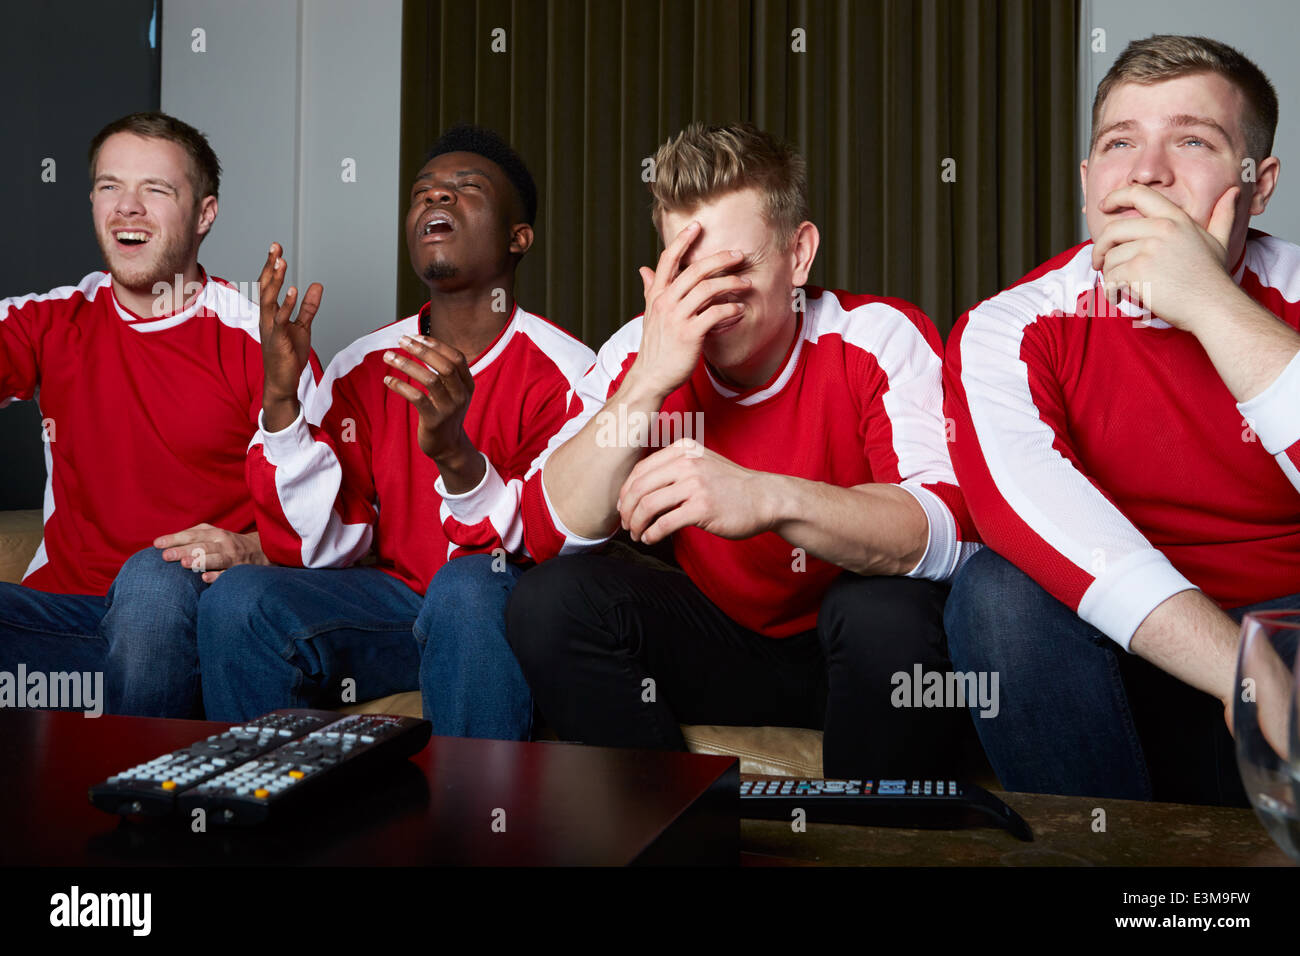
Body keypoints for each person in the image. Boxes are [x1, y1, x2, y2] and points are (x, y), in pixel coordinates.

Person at [487, 122, 978, 777]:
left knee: (880, 609)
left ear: (799, 255)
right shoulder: (642, 350)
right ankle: (672, 832)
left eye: (736, 269)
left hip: (860, 651)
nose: (711, 299)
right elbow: (543, 535)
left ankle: (868, 841)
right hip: (722, 645)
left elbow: (951, 532)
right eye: (687, 271)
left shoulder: (876, 336)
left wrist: (767, 495)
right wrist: (648, 382)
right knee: (549, 601)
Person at [943, 35, 1300, 805]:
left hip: (1293, 633)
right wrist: (1243, 670)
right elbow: (1023, 519)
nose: (1147, 172)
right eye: (1119, 144)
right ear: (1087, 185)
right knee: (995, 593)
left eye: (1193, 141)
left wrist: (1207, 301)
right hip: (1124, 658)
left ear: (1258, 183)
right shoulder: (1009, 328)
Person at [196, 125, 594, 734]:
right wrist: (280, 394)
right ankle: (262, 819)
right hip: (396, 608)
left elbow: (557, 547)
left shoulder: (570, 373)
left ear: (520, 237)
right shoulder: (363, 364)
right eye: (423, 193)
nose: (436, 200)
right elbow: (315, 545)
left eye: (466, 188)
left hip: (497, 618)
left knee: (466, 589)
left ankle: (478, 824)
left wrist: (455, 451)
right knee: (238, 601)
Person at [0, 112, 314, 717]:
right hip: (67, 619)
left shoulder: (261, 336)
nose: (127, 207)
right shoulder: (54, 319)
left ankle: (142, 800)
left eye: (156, 190)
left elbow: (339, 524)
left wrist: (254, 549)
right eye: (110, 186)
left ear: (204, 215)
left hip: (191, 616)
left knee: (152, 578)